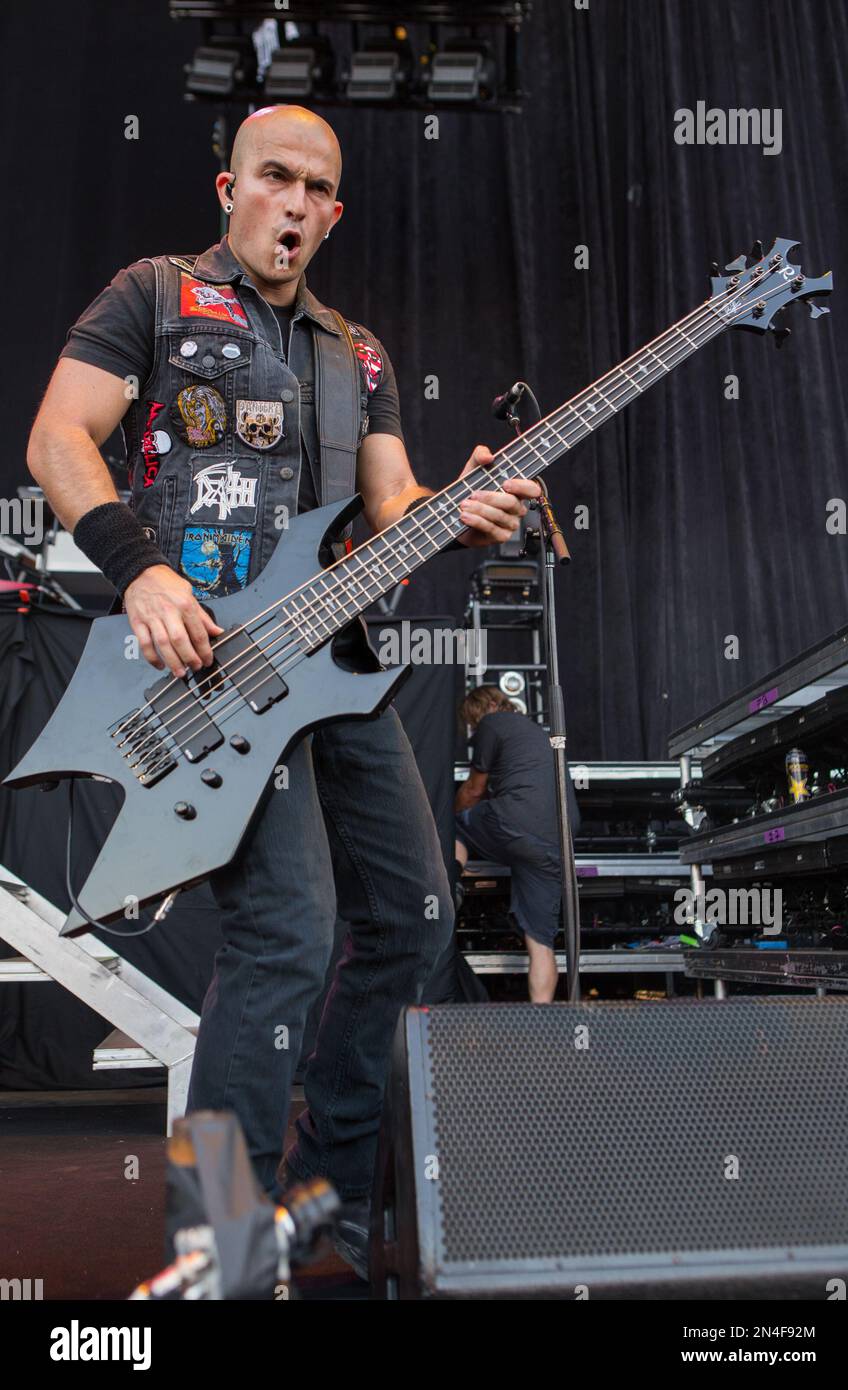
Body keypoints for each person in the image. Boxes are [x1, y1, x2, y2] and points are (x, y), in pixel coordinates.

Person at [25, 104, 541, 1279]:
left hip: (337, 669)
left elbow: (391, 504)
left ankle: (330, 1194)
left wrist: (461, 510)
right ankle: (218, 1236)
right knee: (284, 932)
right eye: (274, 178)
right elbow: (59, 439)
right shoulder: (153, 294)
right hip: (211, 667)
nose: (294, 203)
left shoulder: (357, 353)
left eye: (316, 189)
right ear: (230, 189)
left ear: (334, 212)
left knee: (415, 917)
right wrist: (140, 569)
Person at [455, 686, 578, 1003]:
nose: (473, 726)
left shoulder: (492, 723)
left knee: (453, 822)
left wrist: (454, 809)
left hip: (517, 822)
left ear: (483, 708)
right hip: (557, 838)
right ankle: (542, 1022)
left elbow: (473, 790)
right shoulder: (538, 733)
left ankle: (450, 889)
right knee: (541, 943)